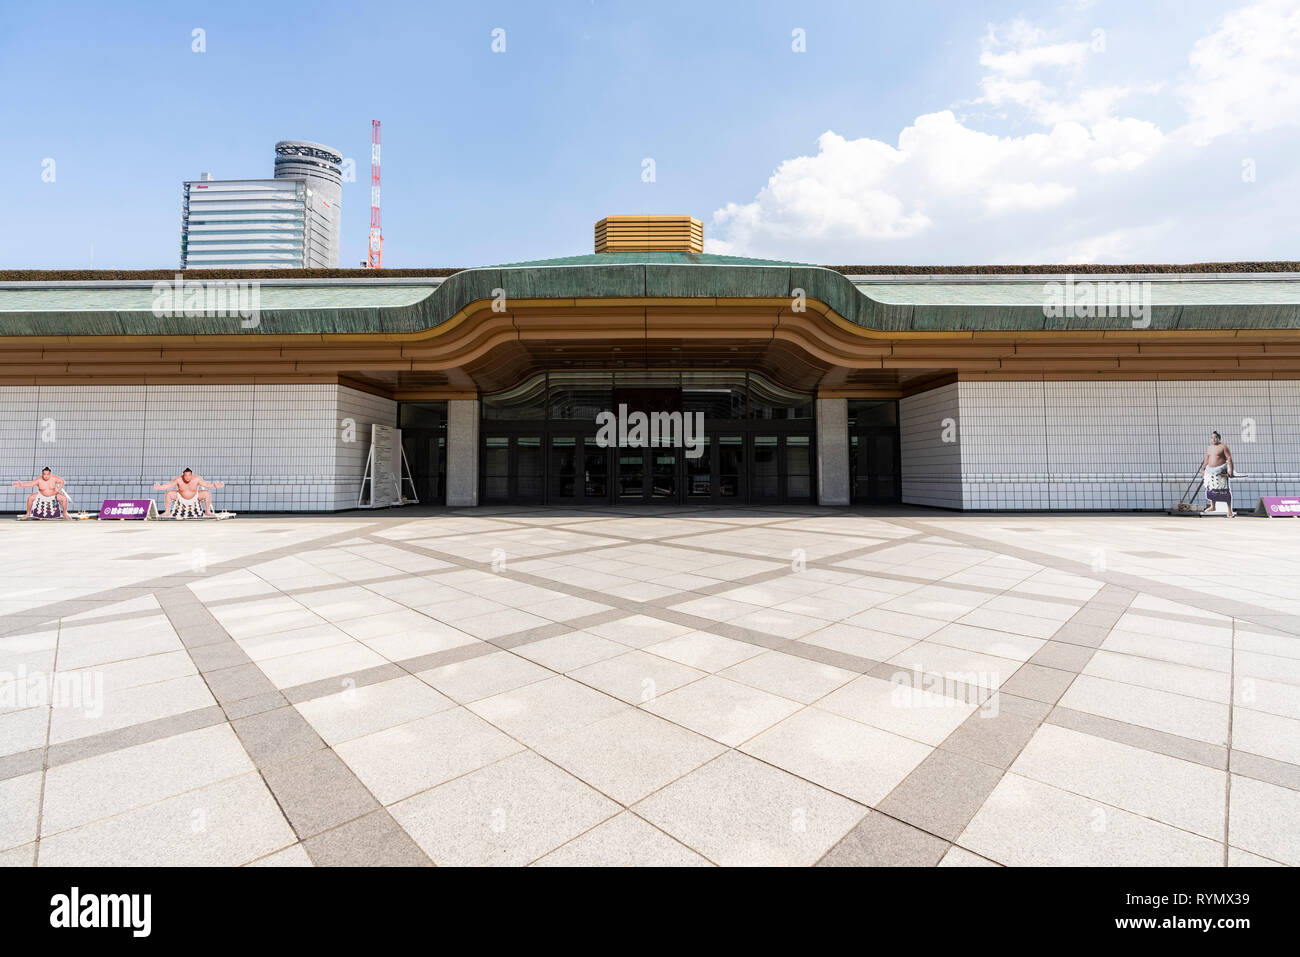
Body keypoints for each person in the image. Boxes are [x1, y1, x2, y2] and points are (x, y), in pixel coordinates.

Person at [153, 469, 224, 517]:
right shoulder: (178, 479)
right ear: (183, 475)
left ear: (191, 475)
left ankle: (208, 512)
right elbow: (169, 485)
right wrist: (160, 487)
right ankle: (167, 512)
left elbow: (206, 484)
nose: (187, 477)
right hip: (180, 497)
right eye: (185, 475)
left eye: (189, 475)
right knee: (169, 494)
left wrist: (214, 486)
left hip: (195, 497)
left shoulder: (196, 479)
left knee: (207, 493)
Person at [1199, 431, 1236, 518]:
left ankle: (1229, 511)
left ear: (1219, 438)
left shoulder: (1223, 447)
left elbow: (1229, 459)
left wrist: (1231, 471)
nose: (1214, 439)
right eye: (1212, 438)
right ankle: (1213, 506)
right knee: (1212, 489)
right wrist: (1203, 468)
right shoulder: (1209, 448)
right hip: (1210, 471)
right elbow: (1207, 459)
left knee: (1225, 491)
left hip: (1221, 471)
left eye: (1215, 437)